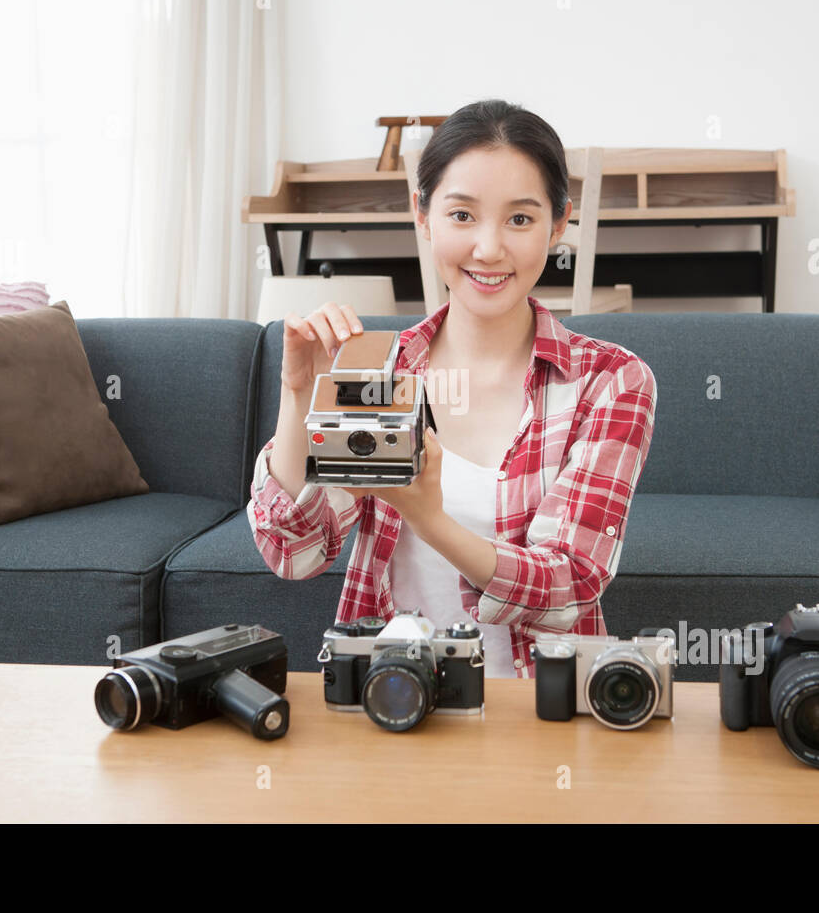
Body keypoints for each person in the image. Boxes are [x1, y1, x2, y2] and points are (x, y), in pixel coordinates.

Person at [247, 98, 657, 678]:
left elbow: (568, 584)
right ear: (423, 214)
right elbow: (294, 552)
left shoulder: (609, 381)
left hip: (539, 710)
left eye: (520, 219)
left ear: (559, 223)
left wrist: (429, 519)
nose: (488, 249)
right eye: (462, 215)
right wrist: (297, 396)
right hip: (390, 698)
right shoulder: (378, 371)